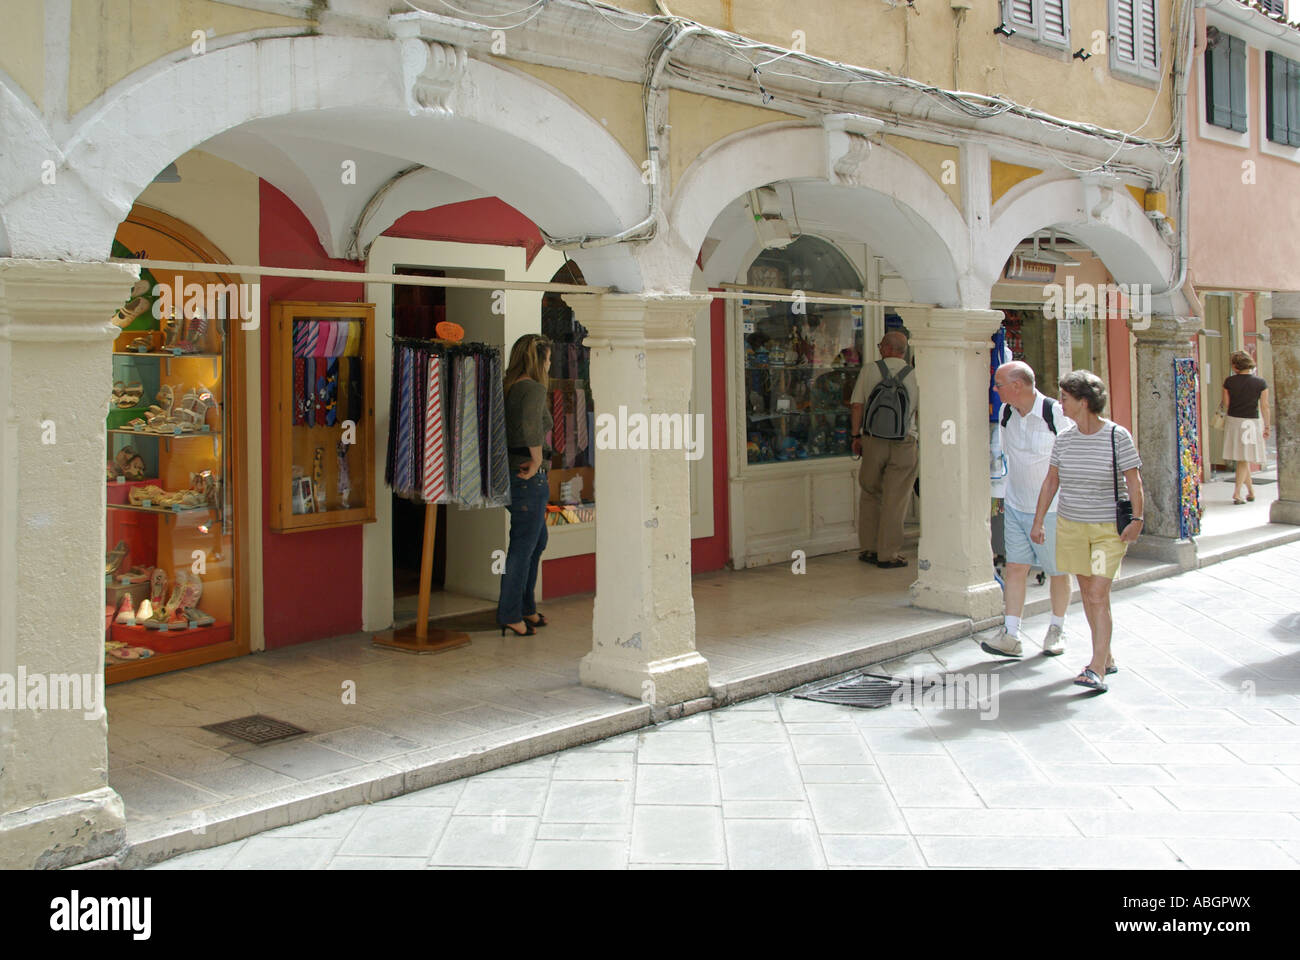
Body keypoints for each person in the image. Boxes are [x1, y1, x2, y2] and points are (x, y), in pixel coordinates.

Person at [1030, 370, 1145, 694]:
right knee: (1093, 595)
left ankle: (1095, 668)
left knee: (1096, 594)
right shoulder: (1064, 439)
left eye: (1065, 397)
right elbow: (1052, 481)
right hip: (1072, 525)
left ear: (1083, 401)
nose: (1060, 403)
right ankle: (1105, 655)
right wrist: (1039, 521)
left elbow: (1133, 481)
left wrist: (1137, 519)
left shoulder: (1116, 436)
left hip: (1107, 529)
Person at [981, 361, 1074, 659]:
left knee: (1057, 571)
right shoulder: (1006, 412)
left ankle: (1057, 629)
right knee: (1016, 568)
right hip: (1017, 504)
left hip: (1052, 509)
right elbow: (1006, 457)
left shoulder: (1054, 413)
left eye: (999, 384)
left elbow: (1071, 455)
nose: (995, 390)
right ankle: (1011, 634)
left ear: (1017, 386)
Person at [497, 334, 553, 637]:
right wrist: (537, 460)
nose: (550, 363)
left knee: (535, 541)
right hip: (526, 475)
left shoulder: (508, 385)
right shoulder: (532, 388)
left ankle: (526, 607)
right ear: (538, 359)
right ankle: (509, 613)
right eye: (548, 357)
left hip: (508, 472)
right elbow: (532, 427)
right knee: (523, 546)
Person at [850, 330, 919, 569]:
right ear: (903, 351)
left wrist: (855, 435)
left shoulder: (870, 370)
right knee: (896, 499)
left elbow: (857, 405)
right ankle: (887, 554)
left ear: (887, 349)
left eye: (881, 345)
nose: (879, 349)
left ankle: (868, 548)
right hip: (905, 441)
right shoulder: (916, 375)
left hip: (872, 440)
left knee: (870, 493)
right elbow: (921, 411)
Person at [1220, 350, 1270, 505]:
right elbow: (1264, 406)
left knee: (1243, 459)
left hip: (1234, 421)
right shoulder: (1261, 383)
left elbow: (1226, 404)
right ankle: (1237, 494)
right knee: (1244, 459)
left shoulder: (1229, 382)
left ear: (1235, 367)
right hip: (1251, 423)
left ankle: (1250, 492)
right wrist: (1267, 426)